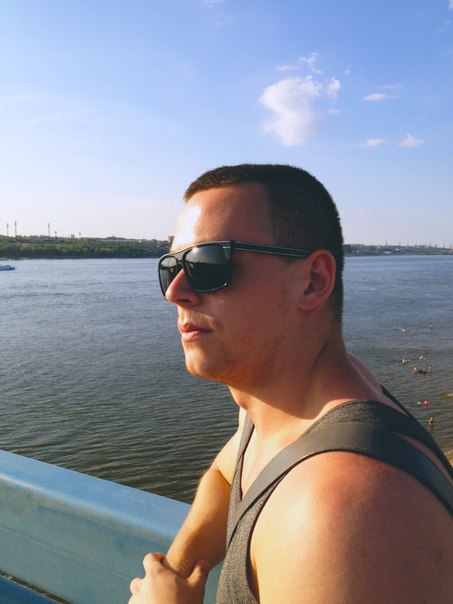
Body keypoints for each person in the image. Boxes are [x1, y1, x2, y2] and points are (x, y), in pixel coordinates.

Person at [129, 164, 453, 603]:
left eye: (208, 263)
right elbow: (229, 473)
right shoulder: (275, 405)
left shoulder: (338, 511)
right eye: (171, 267)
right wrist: (178, 569)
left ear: (313, 282)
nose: (175, 291)